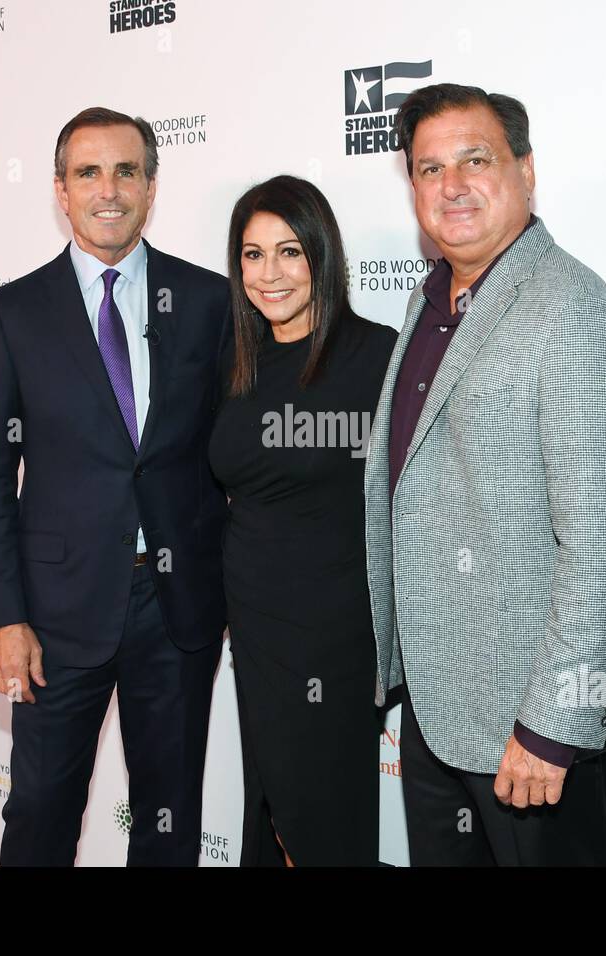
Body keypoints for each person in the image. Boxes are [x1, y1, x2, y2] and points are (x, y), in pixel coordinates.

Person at [364, 84, 606, 866]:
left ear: (525, 171)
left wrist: (550, 727)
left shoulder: (570, 310)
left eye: (475, 159)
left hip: (533, 735)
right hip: (439, 713)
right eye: (429, 168)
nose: (451, 184)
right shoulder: (429, 304)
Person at [0, 106, 231, 867]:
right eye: (88, 172)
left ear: (151, 187)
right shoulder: (12, 313)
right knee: (43, 811)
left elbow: (225, 458)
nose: (107, 190)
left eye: (126, 171)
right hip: (55, 612)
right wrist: (5, 616)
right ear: (60, 189)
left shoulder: (208, 301)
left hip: (175, 605)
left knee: (169, 816)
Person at [209, 175, 396, 865]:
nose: (270, 273)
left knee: (321, 819)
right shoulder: (234, 362)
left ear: (321, 253)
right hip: (254, 624)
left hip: (335, 633)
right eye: (252, 255)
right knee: (273, 805)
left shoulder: (378, 357)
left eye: (289, 251)